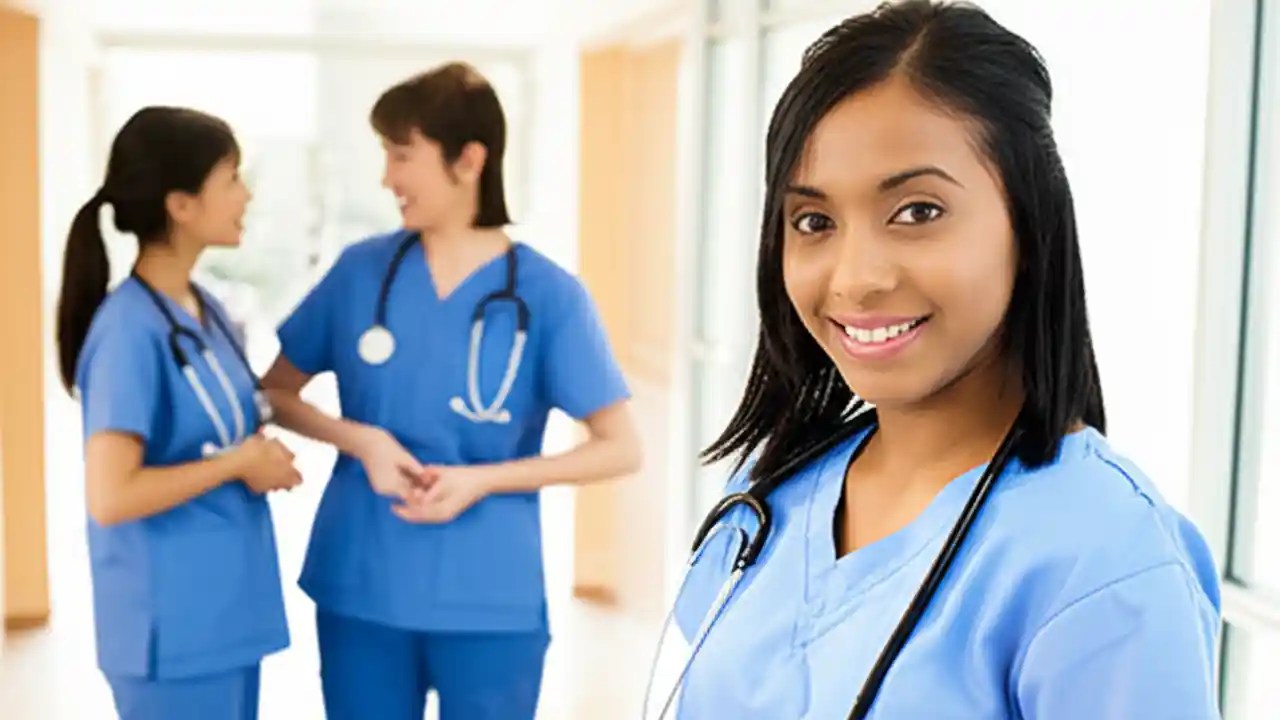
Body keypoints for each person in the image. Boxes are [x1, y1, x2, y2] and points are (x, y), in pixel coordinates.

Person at [655, 2, 1222, 718]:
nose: (855, 277)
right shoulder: (773, 490)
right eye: (814, 222)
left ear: (1030, 221)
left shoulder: (1105, 556)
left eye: (918, 211)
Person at [261, 61, 641, 720]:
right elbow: (274, 393)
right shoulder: (360, 273)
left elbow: (620, 449)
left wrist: (485, 479)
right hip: (363, 585)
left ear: (469, 160)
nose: (387, 177)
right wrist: (362, 439)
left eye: (401, 154)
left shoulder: (548, 295)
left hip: (490, 594)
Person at [55, 106, 300, 720]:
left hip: (226, 617)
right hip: (171, 630)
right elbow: (111, 495)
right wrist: (240, 462)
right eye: (232, 178)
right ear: (181, 204)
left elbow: (224, 425)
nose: (247, 194)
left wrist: (259, 453)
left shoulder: (205, 310)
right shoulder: (127, 331)